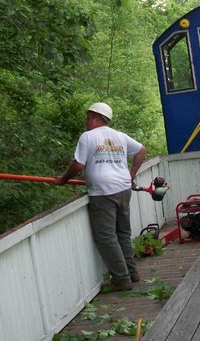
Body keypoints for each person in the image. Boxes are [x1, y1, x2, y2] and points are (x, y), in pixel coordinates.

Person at [55, 102, 147, 291]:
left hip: (103, 191)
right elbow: (141, 150)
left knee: (105, 236)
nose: (86, 121)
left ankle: (122, 279)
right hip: (123, 188)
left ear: (97, 117)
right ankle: (132, 273)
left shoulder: (87, 137)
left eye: (88, 117)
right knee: (122, 232)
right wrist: (131, 175)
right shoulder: (119, 136)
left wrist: (63, 179)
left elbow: (78, 165)